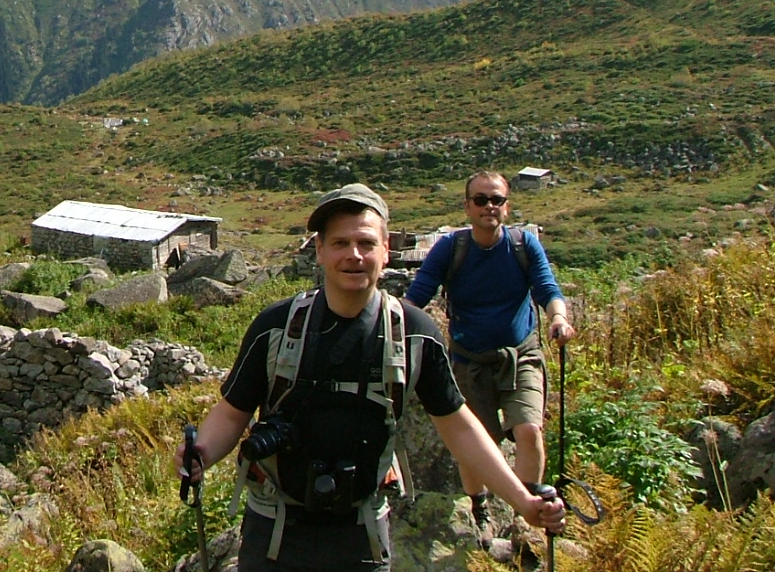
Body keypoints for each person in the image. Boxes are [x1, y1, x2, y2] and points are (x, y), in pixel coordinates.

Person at [176, 183, 566, 571]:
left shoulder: (415, 334)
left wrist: (524, 502)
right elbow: (233, 412)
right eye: (341, 243)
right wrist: (202, 455)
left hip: (361, 531)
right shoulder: (277, 328)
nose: (354, 255)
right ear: (320, 251)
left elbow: (460, 428)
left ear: (386, 251)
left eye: (365, 243)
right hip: (275, 530)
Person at [403, 170, 576, 547]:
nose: (489, 207)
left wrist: (558, 318)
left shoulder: (524, 245)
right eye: (481, 200)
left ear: (507, 207)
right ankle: (479, 506)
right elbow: (419, 294)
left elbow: (547, 287)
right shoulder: (451, 248)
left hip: (521, 355)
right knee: (477, 443)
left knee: (529, 431)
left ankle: (524, 513)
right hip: (468, 360)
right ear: (467, 206)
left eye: (496, 200)